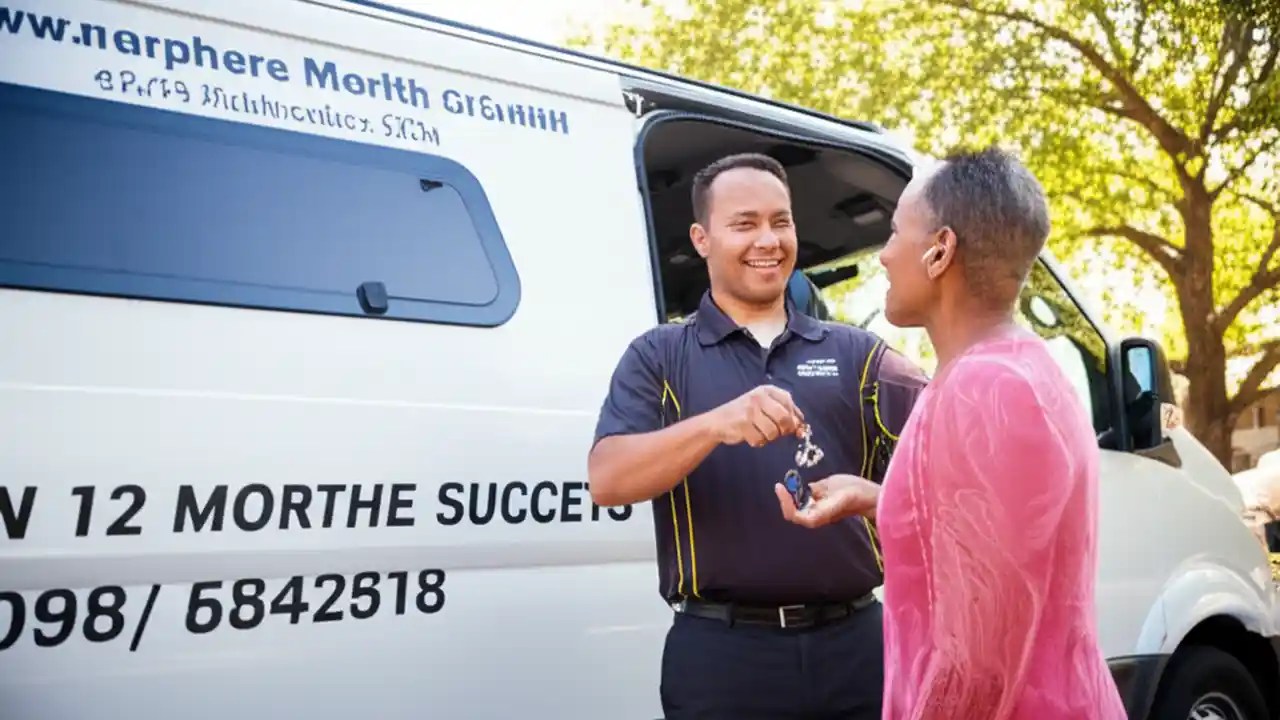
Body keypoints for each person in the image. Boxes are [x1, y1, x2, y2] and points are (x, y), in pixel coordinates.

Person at [775, 146, 1128, 719]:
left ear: (939, 251)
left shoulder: (986, 390)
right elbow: (993, 540)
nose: (884, 255)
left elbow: (978, 663)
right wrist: (879, 499)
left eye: (895, 232)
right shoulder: (1007, 369)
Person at [587, 152, 927, 719]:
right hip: (722, 658)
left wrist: (873, 498)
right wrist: (715, 424)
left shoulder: (860, 355)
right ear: (701, 239)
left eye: (780, 221)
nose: (767, 240)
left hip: (859, 647)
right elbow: (607, 479)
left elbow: (950, 467)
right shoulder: (658, 355)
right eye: (744, 224)